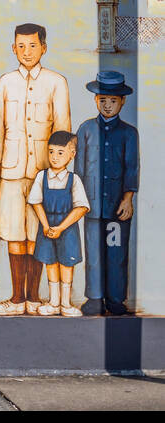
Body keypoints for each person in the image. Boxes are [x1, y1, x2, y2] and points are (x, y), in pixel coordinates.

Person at [0, 23, 70, 316]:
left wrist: (58, 171)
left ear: (44, 48)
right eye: (21, 46)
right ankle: (16, 298)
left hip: (42, 170)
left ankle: (34, 297)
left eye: (33, 46)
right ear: (13, 48)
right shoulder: (5, 82)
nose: (26, 52)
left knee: (38, 233)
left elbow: (63, 129)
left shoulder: (56, 82)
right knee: (14, 233)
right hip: (11, 169)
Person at [74, 71, 138, 316]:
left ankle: (115, 299)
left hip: (117, 206)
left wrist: (128, 199)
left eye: (113, 101)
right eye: (103, 100)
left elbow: (132, 167)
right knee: (94, 252)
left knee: (116, 253)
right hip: (91, 204)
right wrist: (78, 199)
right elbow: (78, 167)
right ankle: (94, 298)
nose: (107, 105)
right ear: (95, 100)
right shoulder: (86, 129)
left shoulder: (129, 133)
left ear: (122, 102)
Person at [27, 131, 88, 317]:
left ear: (72, 154)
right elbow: (36, 202)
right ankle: (54, 303)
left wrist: (61, 227)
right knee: (51, 263)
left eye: (60, 153)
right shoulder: (41, 177)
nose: (54, 157)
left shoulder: (73, 179)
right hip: (47, 227)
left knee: (66, 264)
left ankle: (65, 303)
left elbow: (81, 208)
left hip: (67, 228)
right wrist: (46, 226)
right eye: (51, 152)